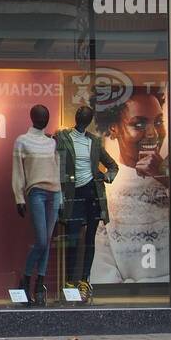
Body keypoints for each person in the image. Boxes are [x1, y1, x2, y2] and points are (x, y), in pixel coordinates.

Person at [90, 88, 171, 285]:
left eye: (158, 122)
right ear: (114, 128)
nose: (153, 133)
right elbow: (103, 273)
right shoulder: (107, 188)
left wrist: (164, 176)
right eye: (139, 124)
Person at [55, 105, 118, 303]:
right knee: (73, 238)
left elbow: (113, 165)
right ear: (76, 117)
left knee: (90, 239)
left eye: (87, 117)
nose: (84, 118)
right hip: (73, 194)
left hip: (93, 192)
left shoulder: (95, 141)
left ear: (89, 120)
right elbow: (54, 160)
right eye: (81, 115)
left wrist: (106, 176)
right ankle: (70, 282)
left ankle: (84, 280)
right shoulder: (63, 137)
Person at [11, 104, 61, 307]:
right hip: (36, 192)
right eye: (41, 116)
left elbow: (56, 169)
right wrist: (19, 197)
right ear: (32, 117)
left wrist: (63, 198)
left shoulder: (51, 143)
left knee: (47, 240)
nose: (44, 119)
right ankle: (25, 279)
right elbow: (17, 171)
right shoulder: (22, 141)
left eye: (46, 116)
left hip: (55, 192)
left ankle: (39, 283)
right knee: (41, 240)